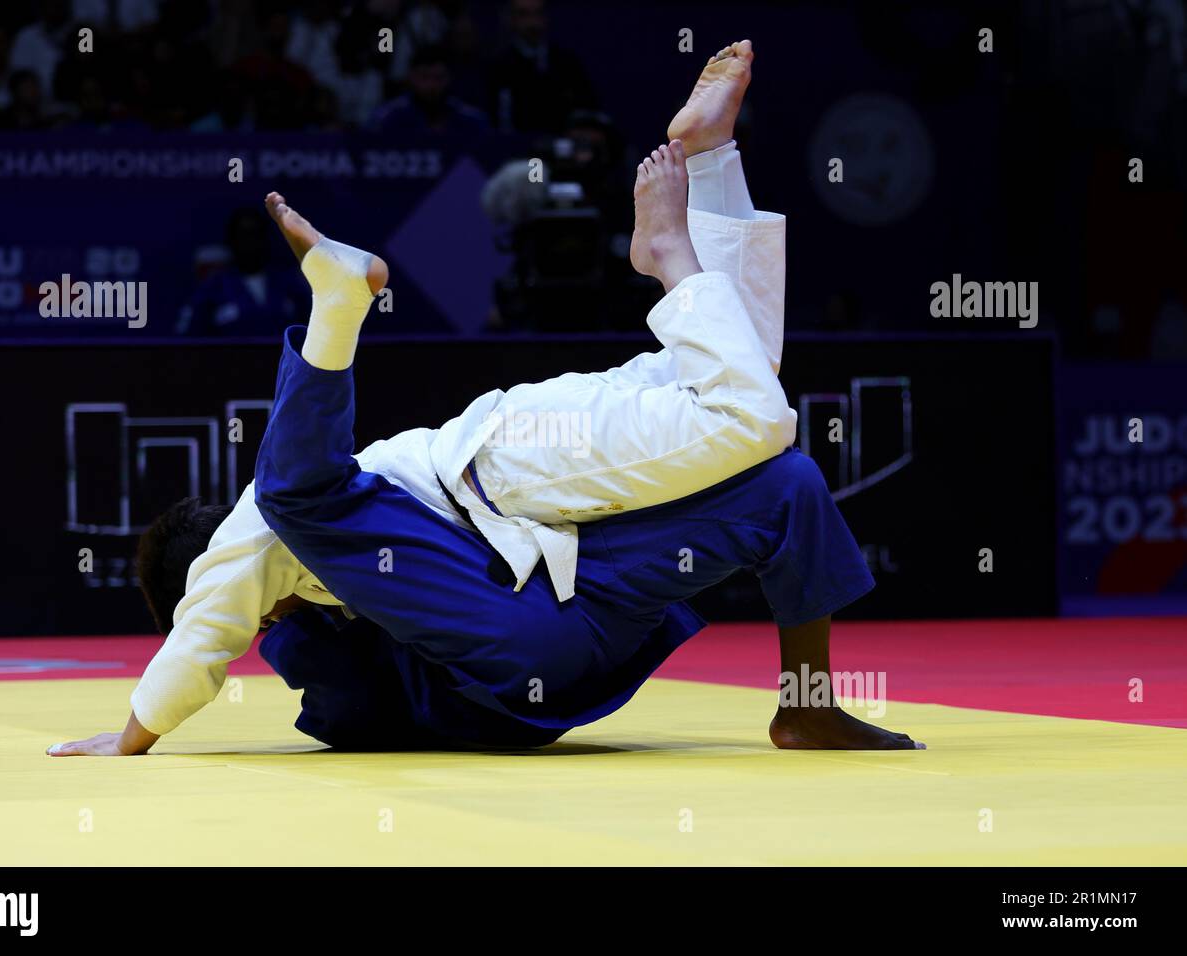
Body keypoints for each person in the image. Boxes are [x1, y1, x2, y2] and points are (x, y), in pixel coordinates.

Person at [50, 41, 923, 757]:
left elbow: (205, 623)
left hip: (509, 469)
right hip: (542, 520)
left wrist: (133, 733)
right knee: (763, 424)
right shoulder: (335, 580)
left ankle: (665, 253)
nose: (265, 637)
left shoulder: (272, 527)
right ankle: (713, 162)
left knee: (751, 415)